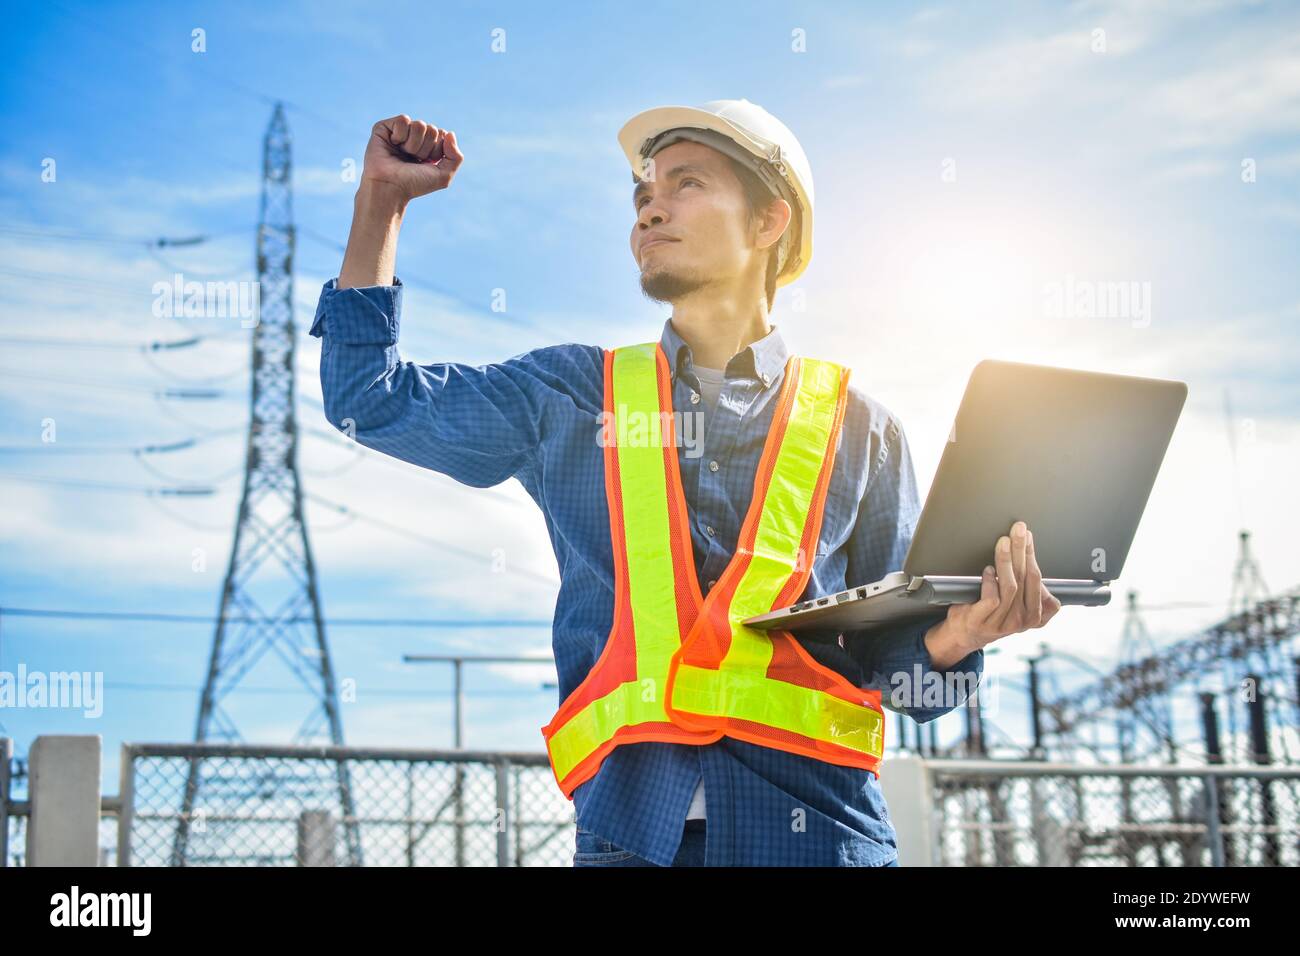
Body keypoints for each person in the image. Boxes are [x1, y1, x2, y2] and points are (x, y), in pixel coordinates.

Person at [309, 100, 1062, 868]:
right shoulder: (573, 396)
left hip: (823, 837)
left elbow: (902, 675)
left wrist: (964, 634)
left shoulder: (861, 430)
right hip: (633, 840)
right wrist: (382, 204)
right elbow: (368, 400)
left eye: (686, 184)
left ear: (769, 223)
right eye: (642, 196)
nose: (650, 209)